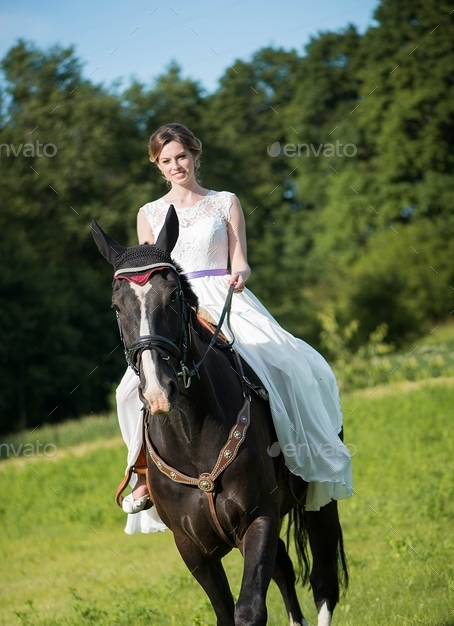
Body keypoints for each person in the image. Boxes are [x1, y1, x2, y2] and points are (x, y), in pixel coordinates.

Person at [116, 123, 353, 535]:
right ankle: (142, 473)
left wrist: (240, 273)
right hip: (176, 306)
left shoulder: (225, 202)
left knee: (292, 364)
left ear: (195, 154)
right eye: (166, 160)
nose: (176, 166)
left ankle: (302, 456)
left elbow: (239, 258)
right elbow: (152, 274)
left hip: (225, 294)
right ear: (157, 165)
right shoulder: (148, 213)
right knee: (127, 390)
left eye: (182, 156)